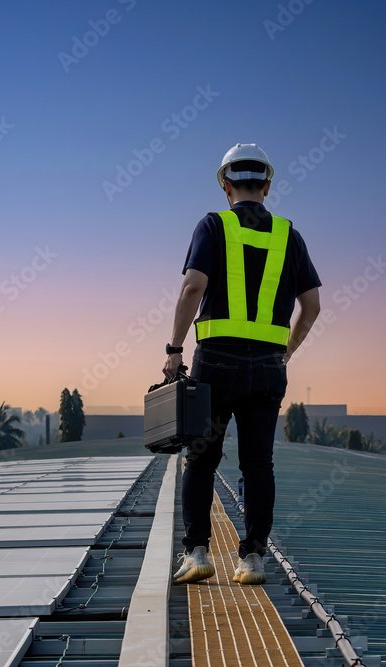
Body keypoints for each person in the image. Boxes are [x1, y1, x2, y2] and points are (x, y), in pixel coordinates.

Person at [165, 143, 322, 585]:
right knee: (258, 465)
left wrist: (174, 349)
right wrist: (286, 352)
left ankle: (197, 553)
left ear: (225, 186)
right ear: (267, 186)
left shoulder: (213, 225)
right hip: (268, 369)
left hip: (216, 363)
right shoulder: (289, 235)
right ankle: (252, 559)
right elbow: (312, 306)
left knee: (200, 459)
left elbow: (192, 288)